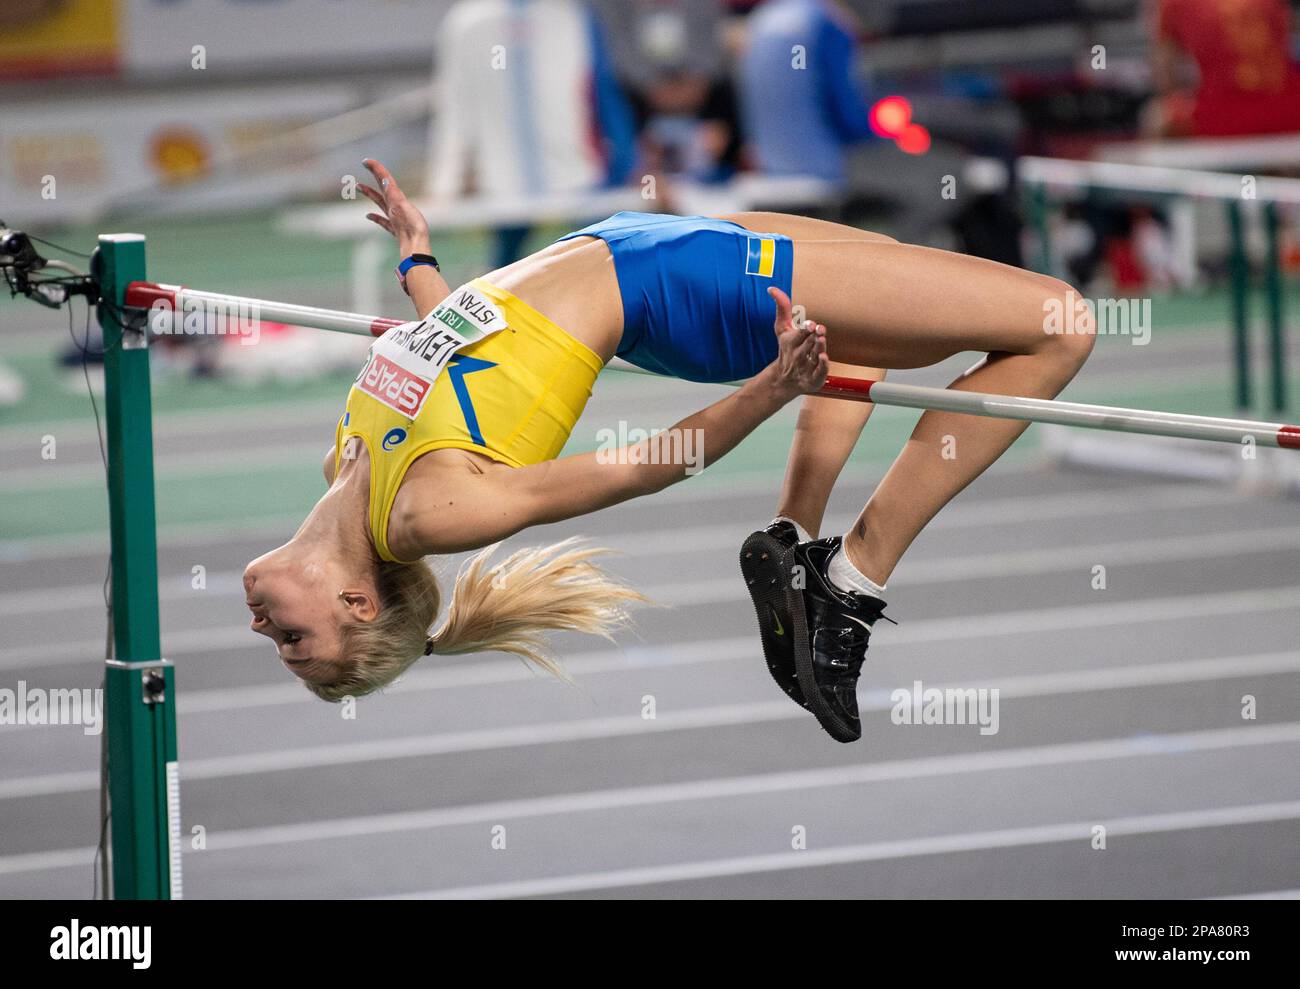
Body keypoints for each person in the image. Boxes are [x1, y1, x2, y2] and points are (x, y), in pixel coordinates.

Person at [243, 159, 1095, 743]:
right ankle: (855, 579)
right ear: (358, 603)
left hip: (637, 245)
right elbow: (643, 465)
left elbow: (464, 348)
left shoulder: (346, 466)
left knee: (888, 298)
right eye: (291, 640)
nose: (262, 627)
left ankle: (795, 541)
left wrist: (416, 255)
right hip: (677, 285)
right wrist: (771, 389)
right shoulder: (430, 513)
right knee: (1061, 324)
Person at [1147, 0, 1300, 137]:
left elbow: (1165, 75)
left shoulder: (1173, 4)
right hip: (1291, 109)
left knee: (1157, 117)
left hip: (1221, 116)